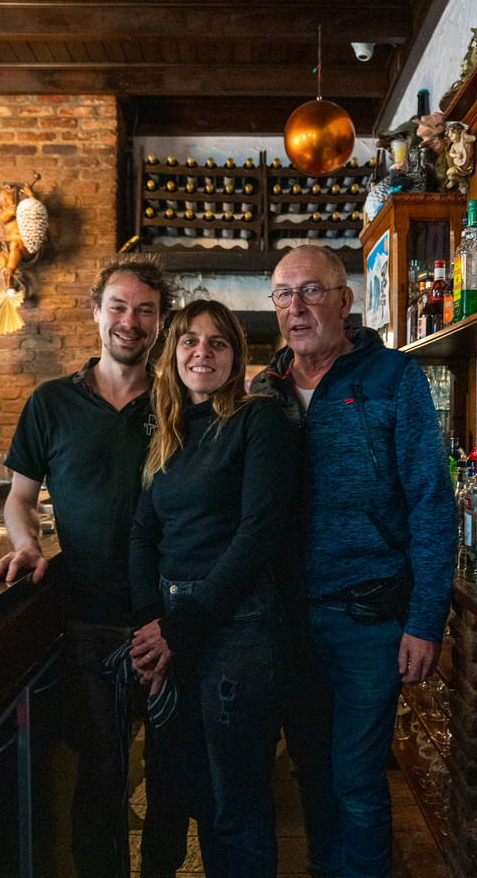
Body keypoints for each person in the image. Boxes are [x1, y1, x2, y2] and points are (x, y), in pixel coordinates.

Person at [250, 245, 457, 878]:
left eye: (311, 291)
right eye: (284, 294)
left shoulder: (394, 377)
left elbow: (430, 501)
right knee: (311, 770)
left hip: (369, 617)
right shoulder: (266, 387)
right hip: (288, 619)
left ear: (346, 300)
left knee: (358, 778)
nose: (297, 307)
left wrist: (426, 620)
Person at [0, 251, 189, 878]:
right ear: (96, 314)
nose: (131, 321)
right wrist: (26, 547)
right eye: (119, 307)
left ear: (161, 324)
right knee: (99, 781)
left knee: (172, 782)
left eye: (146, 311)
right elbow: (21, 496)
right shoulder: (51, 403)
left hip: (168, 623)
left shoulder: (179, 400)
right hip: (88, 621)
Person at [129, 299, 296, 878]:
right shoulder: (169, 434)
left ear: (235, 354)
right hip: (178, 630)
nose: (203, 352)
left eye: (218, 342)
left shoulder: (258, 420)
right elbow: (143, 534)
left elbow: (259, 535)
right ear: (172, 354)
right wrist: (152, 623)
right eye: (190, 341)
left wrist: (178, 627)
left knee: (237, 807)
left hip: (239, 633)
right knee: (194, 791)